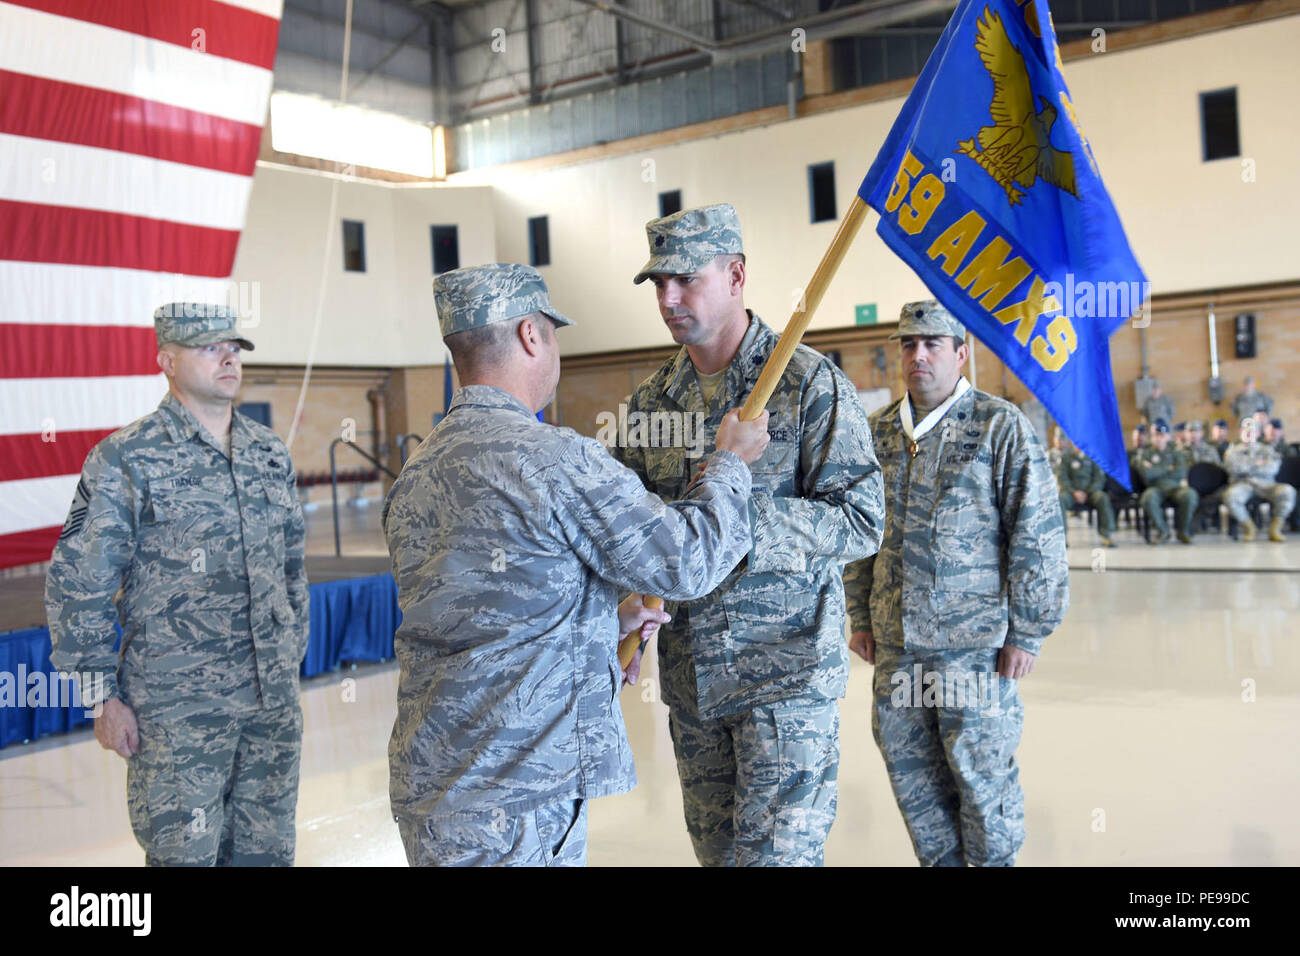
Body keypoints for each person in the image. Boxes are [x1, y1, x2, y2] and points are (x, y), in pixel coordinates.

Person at [383, 263, 773, 867]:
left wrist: (594, 629)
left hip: (434, 787)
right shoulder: (555, 459)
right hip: (521, 797)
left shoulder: (417, 473)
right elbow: (687, 563)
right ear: (531, 336)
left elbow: (483, 610)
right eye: (553, 334)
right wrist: (730, 465)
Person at [615, 203, 884, 867]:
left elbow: (863, 517)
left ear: (735, 275)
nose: (669, 298)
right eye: (658, 284)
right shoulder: (652, 403)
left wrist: (737, 516)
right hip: (694, 684)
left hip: (783, 680)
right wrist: (633, 598)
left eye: (686, 279)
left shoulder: (806, 383)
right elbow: (629, 530)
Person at [45, 303, 308, 866]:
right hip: (176, 712)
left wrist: (290, 654)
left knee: (268, 851)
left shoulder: (269, 453)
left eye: (234, 346)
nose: (229, 356)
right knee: (183, 856)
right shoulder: (125, 458)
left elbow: (292, 567)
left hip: (272, 705)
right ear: (166, 359)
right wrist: (100, 698)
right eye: (210, 347)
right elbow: (79, 582)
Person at [842, 300, 1068, 867]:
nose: (918, 355)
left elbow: (1036, 532)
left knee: (980, 773)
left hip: (975, 648)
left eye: (932, 344)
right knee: (911, 771)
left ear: (961, 354)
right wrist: (861, 615)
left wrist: (1029, 630)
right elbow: (861, 531)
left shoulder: (998, 426)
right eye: (908, 345)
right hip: (898, 646)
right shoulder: (876, 435)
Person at [1223, 417, 1295, 542]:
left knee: (1287, 491)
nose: (1249, 433)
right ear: (1241, 431)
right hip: (1243, 484)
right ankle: (1250, 528)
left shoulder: (1267, 450)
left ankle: (1275, 529)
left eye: (1253, 430)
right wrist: (1259, 463)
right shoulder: (1232, 451)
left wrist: (1246, 465)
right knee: (1230, 496)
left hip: (1267, 484)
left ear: (1258, 433)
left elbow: (1273, 468)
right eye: (1246, 430)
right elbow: (1233, 468)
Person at [1133, 419, 1198, 544]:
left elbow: (1181, 472)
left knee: (1190, 495)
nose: (1159, 439)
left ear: (1168, 436)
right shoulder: (1146, 454)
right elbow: (1147, 475)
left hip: (1175, 487)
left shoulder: (1176, 452)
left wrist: (1155, 469)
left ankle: (1183, 531)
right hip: (1155, 487)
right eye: (1156, 435)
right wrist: (1168, 468)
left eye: (1162, 436)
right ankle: (1163, 531)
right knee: (1148, 498)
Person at [1057, 437, 1115, 547]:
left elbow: (1099, 478)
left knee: (1102, 497)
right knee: (1060, 500)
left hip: (1090, 493)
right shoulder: (1066, 457)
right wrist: (1073, 492)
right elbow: (1062, 478)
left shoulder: (1093, 456)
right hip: (1071, 493)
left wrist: (1087, 492)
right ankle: (1061, 537)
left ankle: (1106, 535)